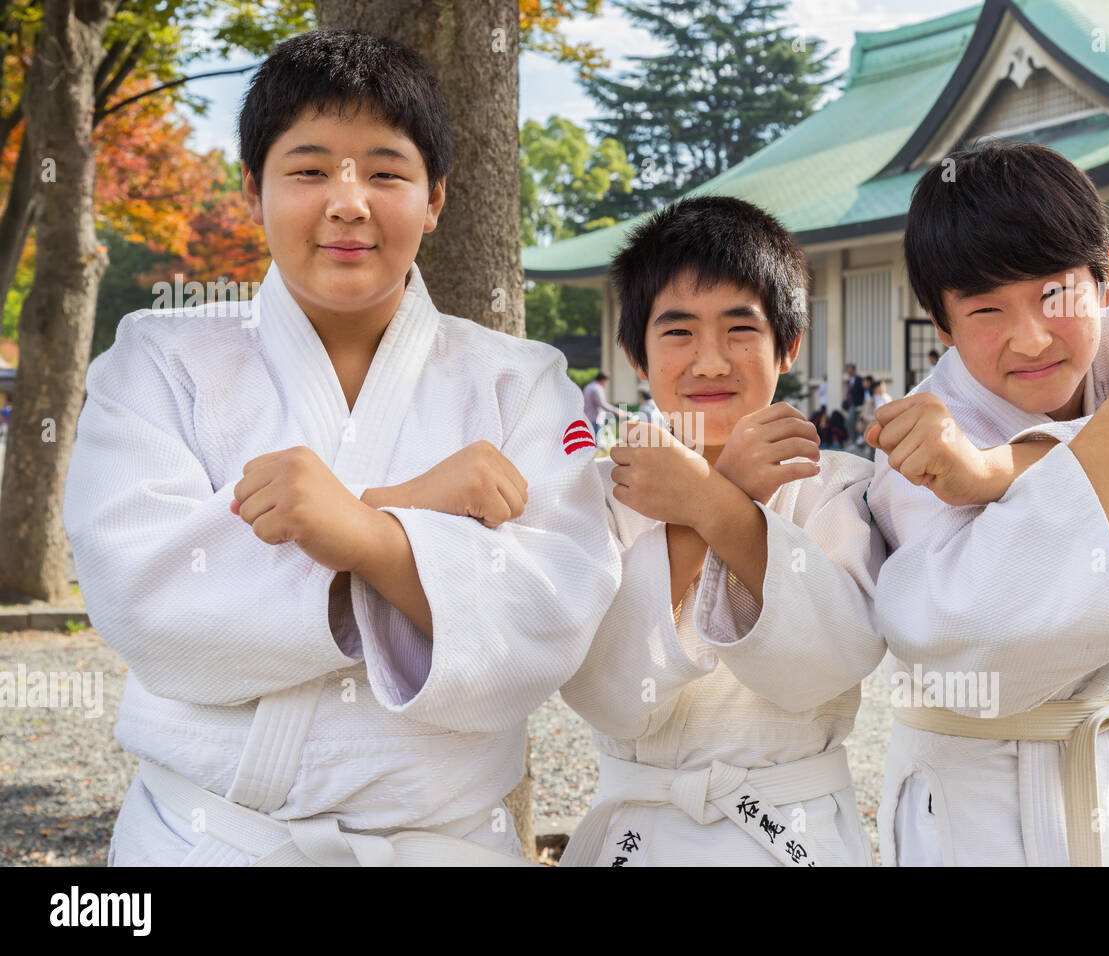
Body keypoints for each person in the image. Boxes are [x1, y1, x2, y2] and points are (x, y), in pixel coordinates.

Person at [62, 28, 619, 867]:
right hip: (210, 841)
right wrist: (408, 513)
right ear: (254, 189)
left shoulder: (521, 382)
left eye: (387, 172)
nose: (348, 202)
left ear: (436, 198)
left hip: (443, 846)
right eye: (310, 168)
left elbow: (552, 613)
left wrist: (356, 527)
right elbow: (144, 596)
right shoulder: (157, 360)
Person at [557, 195, 1025, 867]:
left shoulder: (835, 483)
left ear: (788, 345)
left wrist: (716, 508)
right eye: (679, 332)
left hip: (791, 833)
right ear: (636, 353)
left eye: (740, 330)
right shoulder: (599, 494)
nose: (711, 362)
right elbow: (607, 693)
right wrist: (716, 504)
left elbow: (828, 662)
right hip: (642, 831)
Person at [865, 140, 1109, 867]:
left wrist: (1000, 469)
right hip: (969, 799)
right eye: (986, 309)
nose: (1030, 336)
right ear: (940, 323)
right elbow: (986, 631)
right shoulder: (915, 439)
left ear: (1106, 275)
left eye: (1054, 293)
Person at [583, 371, 622, 440]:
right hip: (596, 418)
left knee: (590, 441)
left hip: (587, 417)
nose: (605, 384)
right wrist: (616, 411)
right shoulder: (597, 388)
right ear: (603, 380)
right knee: (598, 442)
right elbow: (602, 404)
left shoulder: (588, 387)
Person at [842, 363, 865, 442]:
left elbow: (861, 393)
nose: (848, 371)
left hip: (856, 405)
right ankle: (854, 441)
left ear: (853, 370)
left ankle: (855, 441)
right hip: (849, 405)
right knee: (851, 422)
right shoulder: (849, 380)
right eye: (847, 369)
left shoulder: (859, 379)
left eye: (849, 369)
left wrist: (860, 405)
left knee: (849, 422)